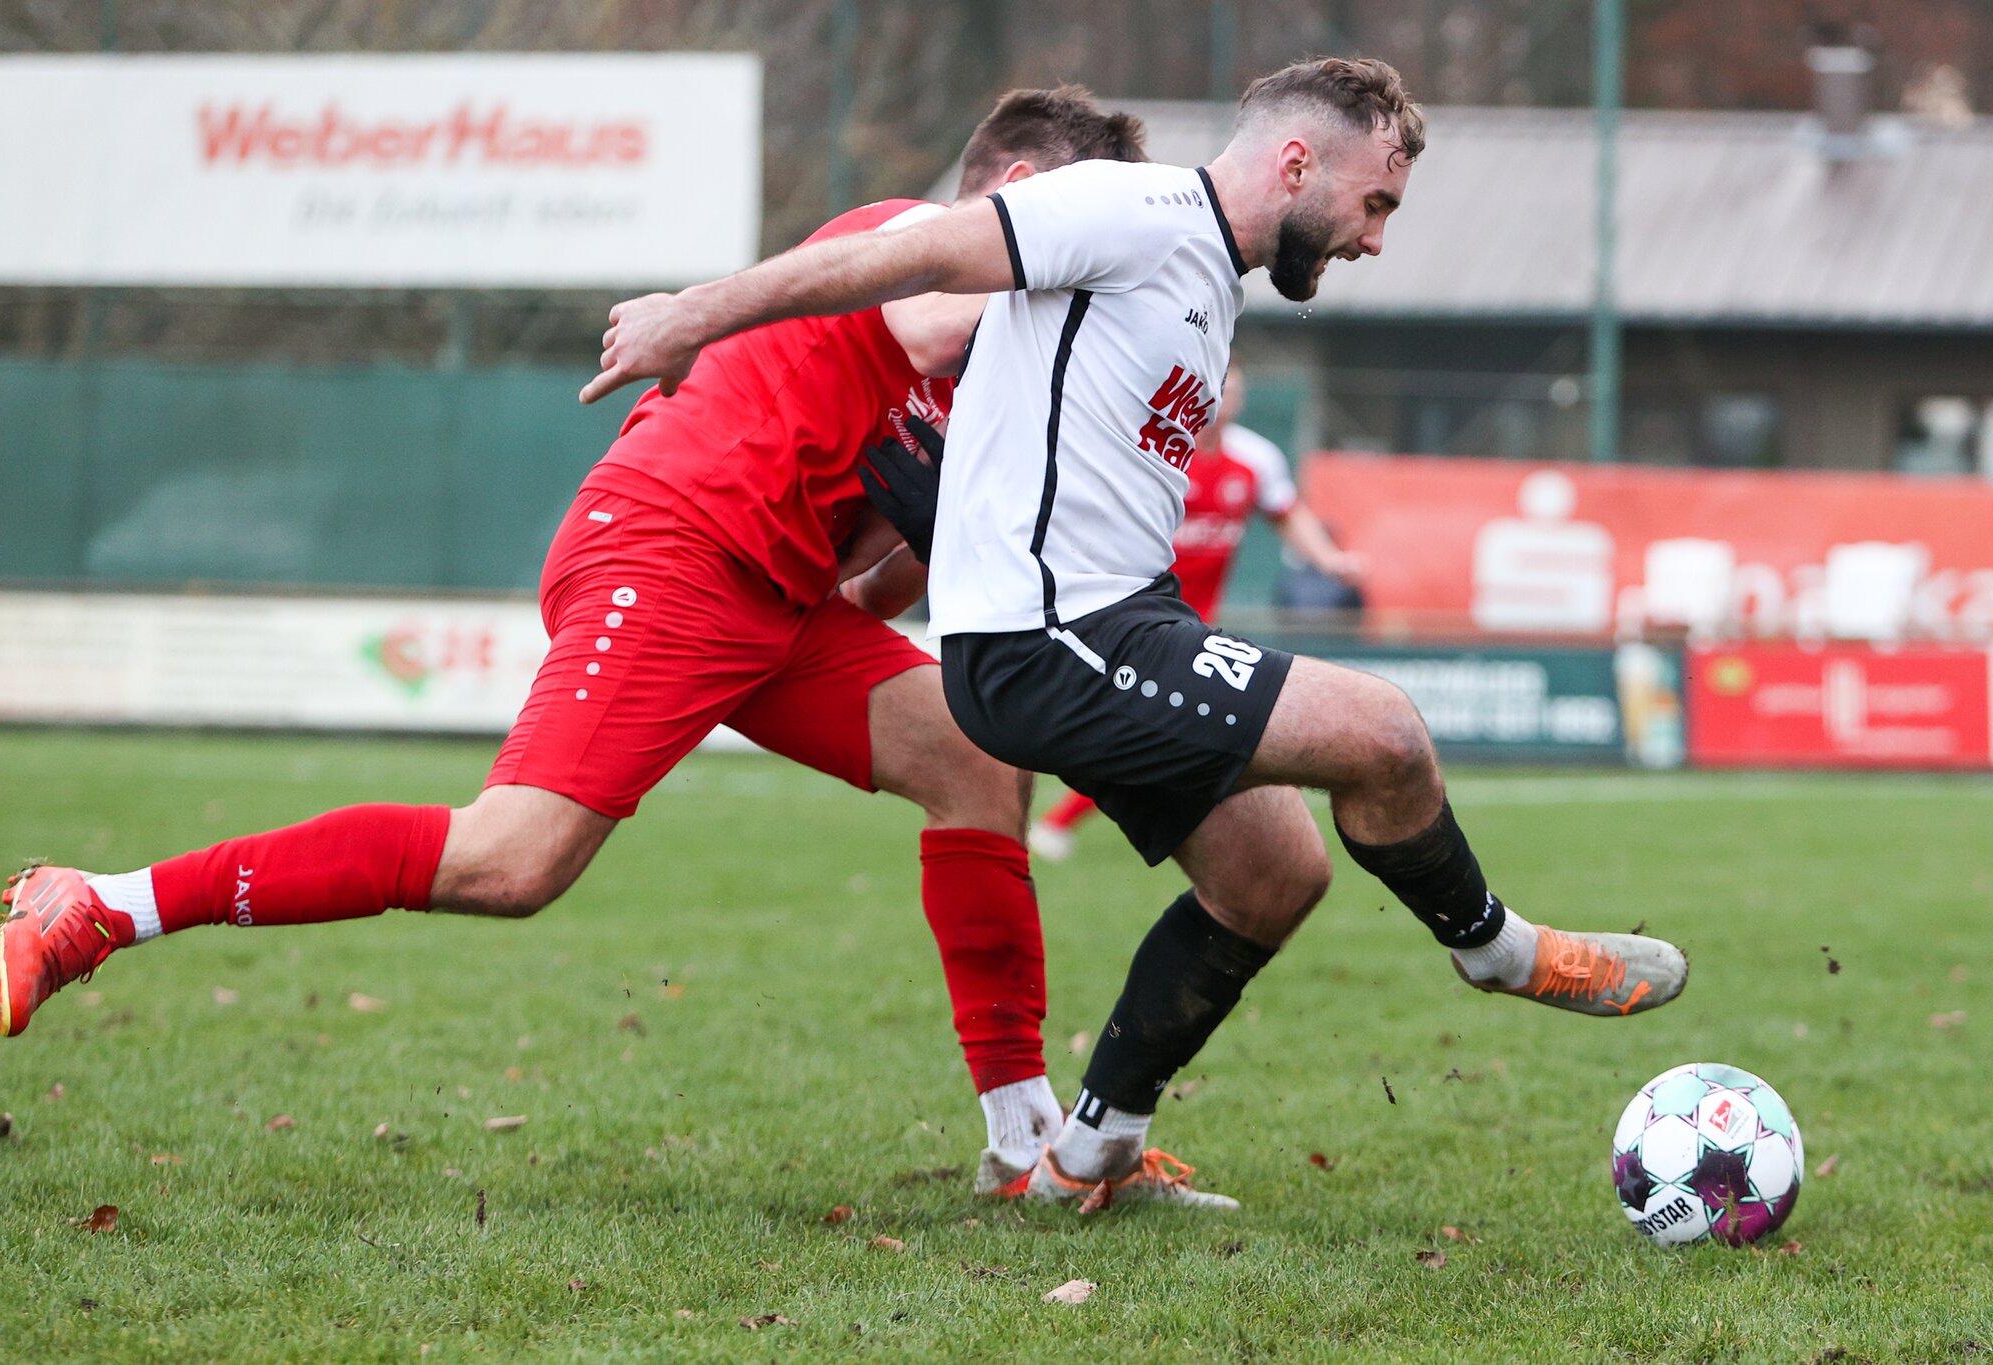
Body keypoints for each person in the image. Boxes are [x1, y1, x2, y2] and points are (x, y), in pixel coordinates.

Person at [0, 88, 1164, 1203]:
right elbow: (931, 311)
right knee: (511, 864)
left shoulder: (979, 381)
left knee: (970, 757)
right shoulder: (913, 244)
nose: (1104, 251)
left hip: (775, 602)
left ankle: (1022, 1143)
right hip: (670, 549)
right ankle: (97, 903)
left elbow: (893, 576)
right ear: (1012, 189)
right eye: (1089, 220)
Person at [580, 55, 1690, 1211]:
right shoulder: (1130, 210)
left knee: (1273, 870)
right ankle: (1496, 950)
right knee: (1387, 735)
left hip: (1110, 621)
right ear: (1296, 161)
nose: (1373, 241)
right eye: (1375, 204)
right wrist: (689, 315)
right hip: (1052, 635)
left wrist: (893, 576)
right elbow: (903, 257)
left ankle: (1086, 1156)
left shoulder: (1204, 278)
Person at [1028, 358, 1365, 861]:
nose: (1225, 398)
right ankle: (1057, 821)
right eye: (1219, 386)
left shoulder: (1256, 458)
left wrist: (1329, 559)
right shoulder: (1151, 449)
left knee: (1170, 729)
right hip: (1130, 617)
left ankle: (1232, 836)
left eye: (1235, 390)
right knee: (1145, 727)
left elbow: (1288, 515)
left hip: (1197, 625)